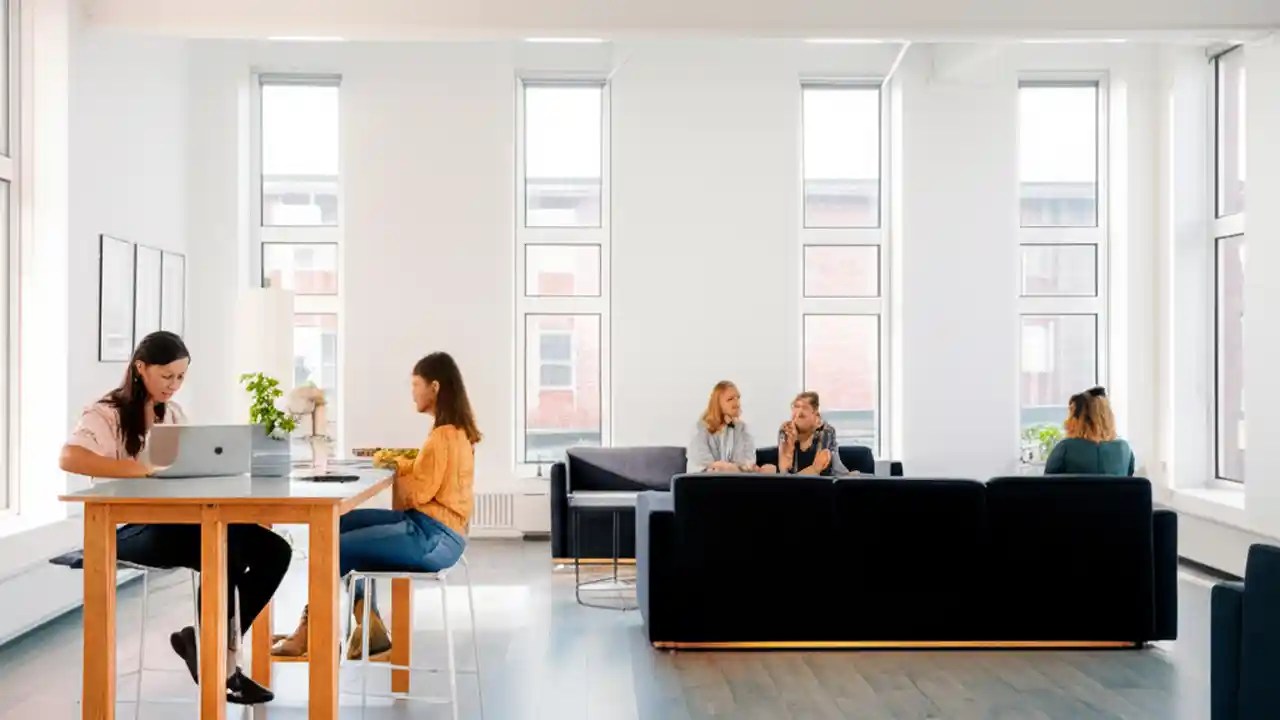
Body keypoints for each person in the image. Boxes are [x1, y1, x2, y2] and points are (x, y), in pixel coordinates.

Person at [59, 331, 289, 705]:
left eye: (180, 377)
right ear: (140, 368)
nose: (174, 385)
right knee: (224, 549)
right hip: (138, 528)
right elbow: (70, 458)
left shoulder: (174, 414)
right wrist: (140, 468)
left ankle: (205, 646)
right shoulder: (105, 413)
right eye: (167, 376)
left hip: (184, 521)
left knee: (274, 551)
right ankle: (222, 667)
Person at [273, 351, 479, 659]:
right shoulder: (453, 432)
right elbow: (428, 478)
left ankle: (313, 631)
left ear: (434, 387)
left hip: (433, 537)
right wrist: (403, 464)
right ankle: (368, 623)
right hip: (435, 530)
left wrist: (397, 466)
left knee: (333, 547)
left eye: (416, 384)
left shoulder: (442, 436)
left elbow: (418, 493)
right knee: (338, 524)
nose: (413, 392)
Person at [1043, 386, 1136, 476]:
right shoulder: (1124, 450)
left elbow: (1047, 486)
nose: (1067, 421)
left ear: (1079, 419)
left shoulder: (1065, 449)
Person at [686, 381, 770, 473]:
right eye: (730, 399)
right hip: (703, 482)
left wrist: (732, 468)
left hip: (735, 482)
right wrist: (729, 468)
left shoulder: (742, 429)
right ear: (717, 403)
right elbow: (703, 464)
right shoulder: (699, 428)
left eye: (737, 398)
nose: (736, 403)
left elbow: (747, 462)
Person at [776, 391, 850, 476]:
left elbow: (818, 470)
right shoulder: (786, 431)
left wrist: (792, 481)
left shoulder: (826, 431)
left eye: (802, 415)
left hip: (835, 480)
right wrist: (790, 447)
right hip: (798, 485)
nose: (798, 413)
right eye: (796, 407)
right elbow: (783, 472)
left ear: (815, 414)